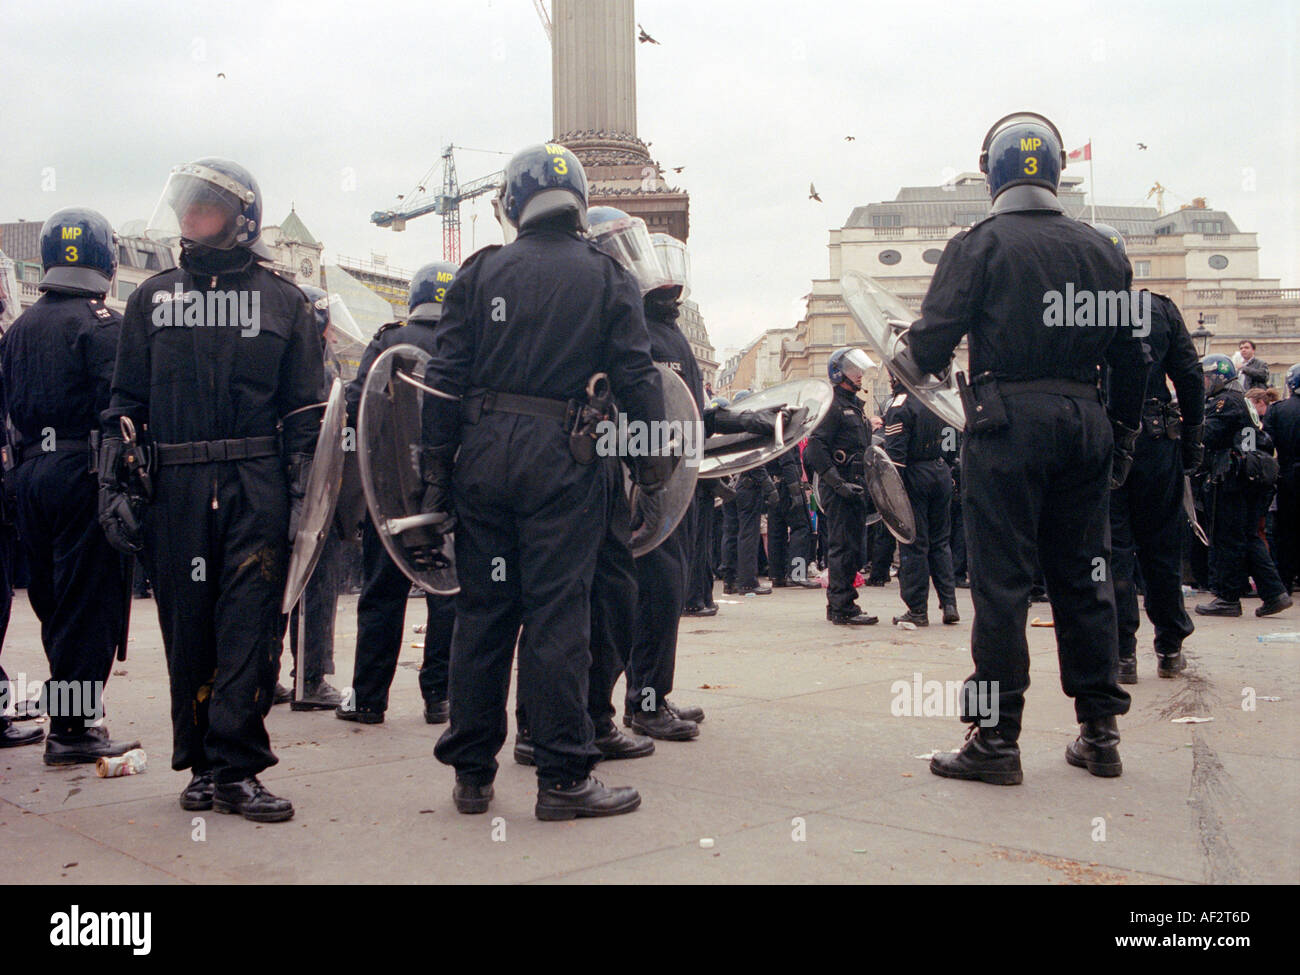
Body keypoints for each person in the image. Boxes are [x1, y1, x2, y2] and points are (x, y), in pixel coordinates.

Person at [422, 143, 668, 821]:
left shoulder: (478, 273)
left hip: (483, 456)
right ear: (579, 201)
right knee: (560, 617)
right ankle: (562, 774)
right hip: (565, 460)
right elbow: (639, 378)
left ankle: (471, 773)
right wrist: (653, 465)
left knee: (484, 614)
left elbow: (442, 381)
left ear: (511, 203)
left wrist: (433, 474)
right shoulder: (606, 276)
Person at [912, 112, 1147, 784]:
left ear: (994, 172)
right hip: (1086, 419)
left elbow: (929, 346)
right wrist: (1122, 434)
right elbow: (1132, 359)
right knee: (1086, 576)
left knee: (1002, 584)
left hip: (1006, 421)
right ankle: (1100, 732)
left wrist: (910, 350)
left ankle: (995, 739)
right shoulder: (1103, 250)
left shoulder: (979, 244)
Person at [101, 158, 323, 822]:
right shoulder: (151, 299)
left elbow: (308, 415)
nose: (189, 218)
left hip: (257, 484)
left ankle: (237, 766)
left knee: (251, 627)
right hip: (177, 484)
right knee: (187, 628)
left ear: (241, 218)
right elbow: (124, 402)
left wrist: (309, 498)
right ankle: (199, 763)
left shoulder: (286, 302)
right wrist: (113, 478)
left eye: (205, 207)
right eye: (186, 206)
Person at [0, 207, 139, 762]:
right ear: (106, 258)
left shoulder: (21, 328)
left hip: (29, 473)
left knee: (53, 601)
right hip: (83, 471)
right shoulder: (102, 322)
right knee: (88, 603)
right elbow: (123, 407)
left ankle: (68, 713)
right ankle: (75, 729)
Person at [336, 262, 459, 726]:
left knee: (382, 594)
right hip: (447, 492)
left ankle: (368, 699)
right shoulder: (463, 344)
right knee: (445, 595)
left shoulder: (389, 339)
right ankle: (439, 697)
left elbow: (353, 404)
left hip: (390, 491)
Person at [1091, 226, 1205, 682]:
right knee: (1161, 546)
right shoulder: (1158, 307)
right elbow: (1192, 377)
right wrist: (1193, 439)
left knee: (1113, 548)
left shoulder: (1079, 313)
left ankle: (1122, 653)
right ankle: (1171, 646)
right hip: (1157, 439)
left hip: (1103, 441)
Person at [282, 283, 346, 711]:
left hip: (279, 484)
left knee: (275, 586)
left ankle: (264, 675)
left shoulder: (280, 360)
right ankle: (311, 678)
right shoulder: (319, 368)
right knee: (318, 583)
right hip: (313, 485)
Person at [1194, 354, 1291, 618]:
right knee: (1248, 537)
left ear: (1218, 377)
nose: (1203, 383)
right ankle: (1275, 593)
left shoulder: (1225, 401)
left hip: (1232, 478)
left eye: (1206, 378)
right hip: (1248, 476)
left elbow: (1209, 435)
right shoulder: (1241, 398)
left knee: (1228, 538)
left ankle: (1227, 598)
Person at [804, 347, 880, 625]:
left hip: (856, 484)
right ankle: (840, 606)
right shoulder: (833, 405)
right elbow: (814, 449)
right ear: (839, 373)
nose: (859, 375)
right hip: (840, 487)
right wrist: (836, 483)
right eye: (853, 370)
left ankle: (846, 602)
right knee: (841, 548)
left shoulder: (855, 407)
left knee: (854, 549)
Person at [882, 373, 959, 626]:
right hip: (941, 471)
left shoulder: (901, 404)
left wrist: (894, 493)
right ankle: (949, 604)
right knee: (941, 543)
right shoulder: (935, 400)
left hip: (915, 474)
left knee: (914, 543)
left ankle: (917, 610)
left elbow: (895, 455)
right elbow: (951, 442)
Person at [1263, 364, 1300, 593]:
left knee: (1286, 530)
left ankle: (1285, 578)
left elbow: (1267, 443)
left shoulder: (1279, 410)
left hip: (1289, 476)